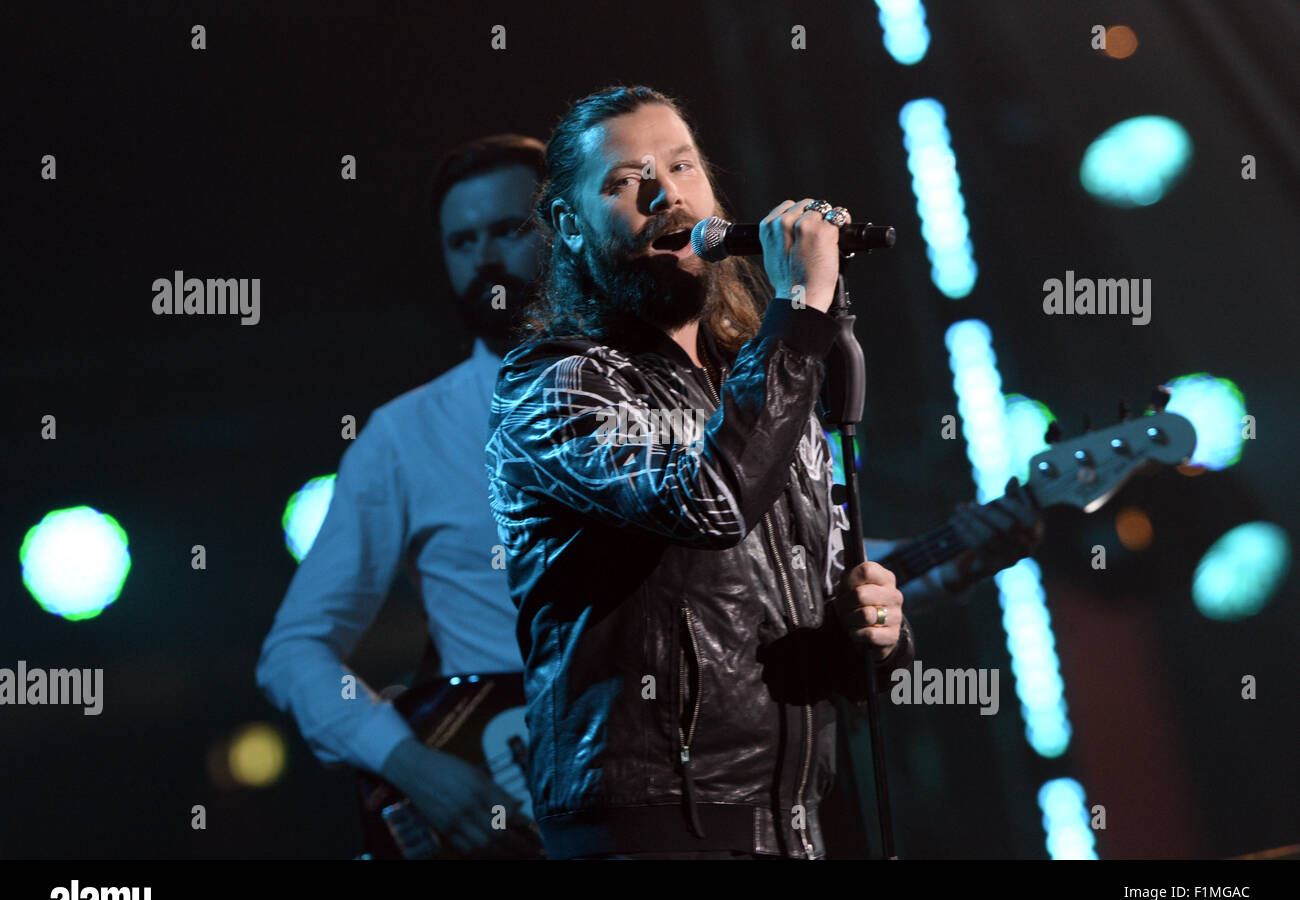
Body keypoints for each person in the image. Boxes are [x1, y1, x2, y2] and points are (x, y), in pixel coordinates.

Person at [485, 86, 1040, 860]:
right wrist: (799, 310)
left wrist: (873, 631)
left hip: (797, 818)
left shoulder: (761, 382)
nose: (664, 194)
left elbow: (805, 595)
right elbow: (709, 501)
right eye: (624, 181)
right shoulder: (556, 385)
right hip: (655, 827)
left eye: (682, 166)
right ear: (571, 229)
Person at [256, 134, 547, 859]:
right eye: (461, 241)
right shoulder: (405, 436)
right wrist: (415, 766)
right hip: (513, 813)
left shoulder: (669, 388)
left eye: (510, 230)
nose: (483, 260)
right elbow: (295, 651)